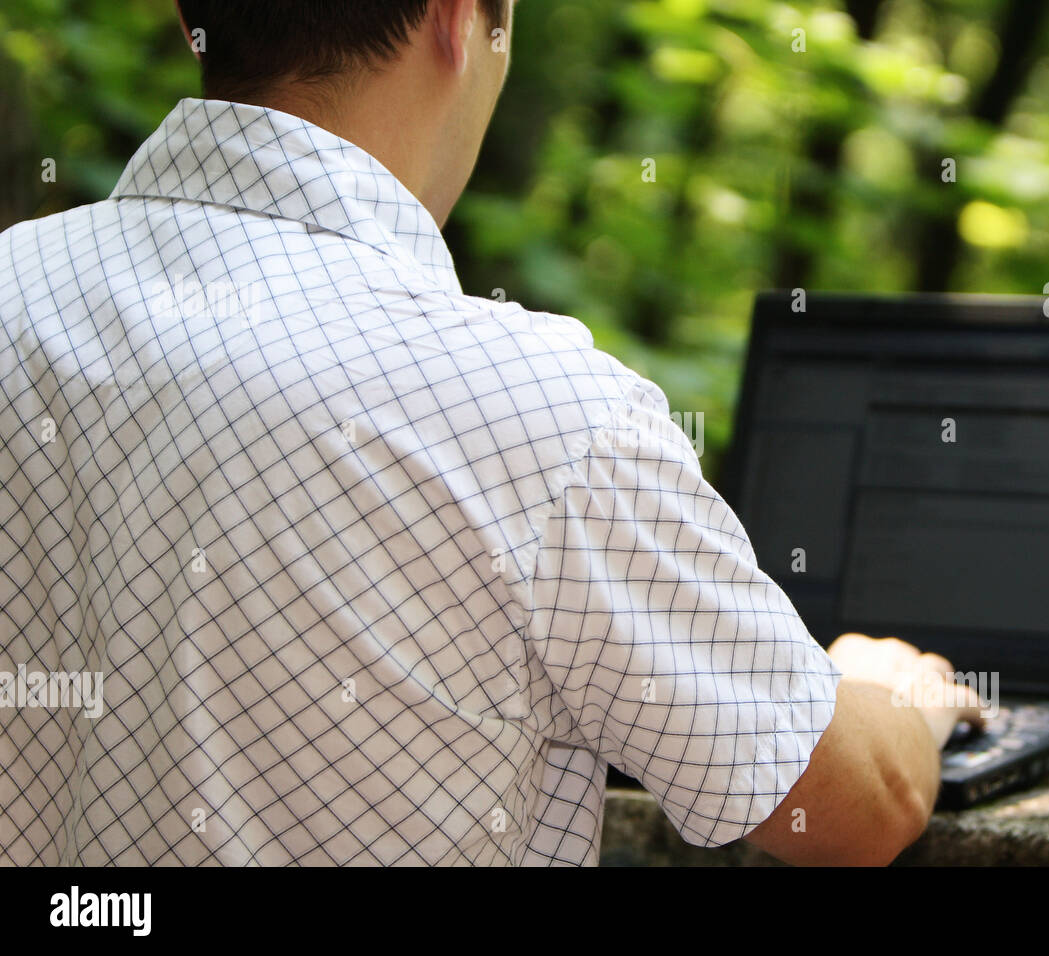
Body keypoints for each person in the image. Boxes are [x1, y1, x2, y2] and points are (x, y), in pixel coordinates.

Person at [0, 0, 981, 866]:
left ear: (190, 18)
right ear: (457, 17)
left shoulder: (14, 294)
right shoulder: (542, 412)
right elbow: (861, 809)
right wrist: (890, 692)